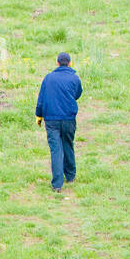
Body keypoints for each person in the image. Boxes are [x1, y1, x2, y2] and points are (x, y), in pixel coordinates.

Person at [34, 52, 82, 192]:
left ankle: (57, 184)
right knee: (68, 144)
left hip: (51, 120)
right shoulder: (75, 78)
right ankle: (71, 175)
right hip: (69, 118)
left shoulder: (48, 78)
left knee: (56, 150)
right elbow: (77, 94)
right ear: (70, 63)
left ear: (57, 63)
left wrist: (39, 115)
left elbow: (41, 99)